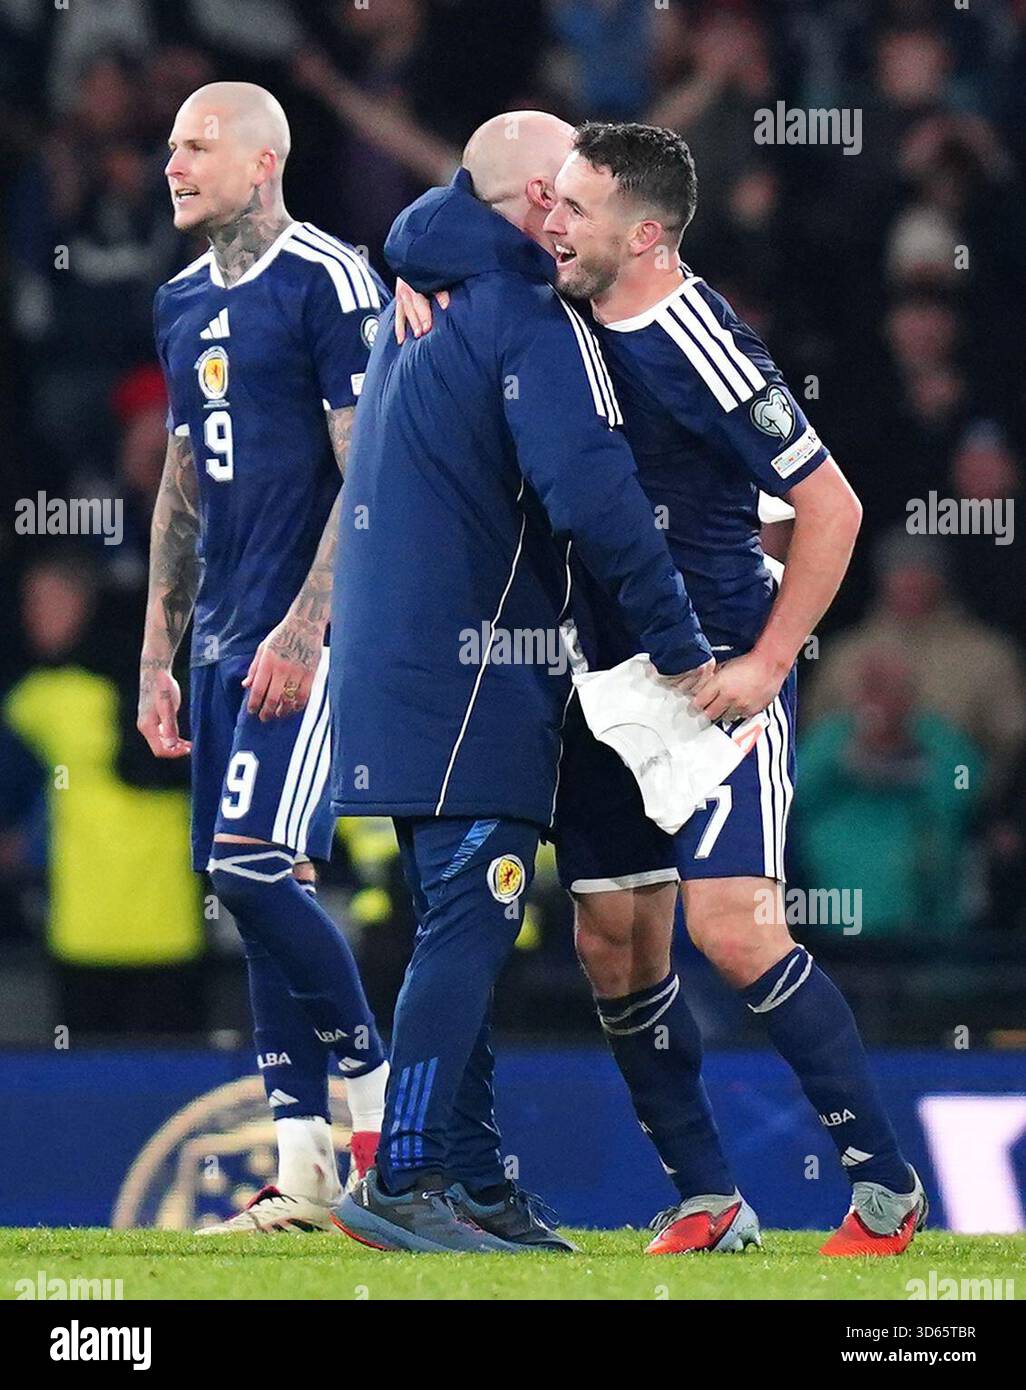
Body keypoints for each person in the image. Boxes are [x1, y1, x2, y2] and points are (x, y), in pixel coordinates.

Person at [396, 119, 926, 1257]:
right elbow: (432, 214)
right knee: (613, 947)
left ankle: (885, 1188)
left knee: (731, 930)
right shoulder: (565, 296)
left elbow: (830, 507)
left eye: (577, 210)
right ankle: (707, 1196)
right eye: (551, 201)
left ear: (643, 235)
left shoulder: (700, 339)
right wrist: (411, 272)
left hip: (714, 675)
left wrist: (770, 663)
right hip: (602, 681)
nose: (552, 223)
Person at [330, 111, 713, 1254]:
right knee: (473, 918)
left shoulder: (429, 293)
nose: (577, 210)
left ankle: (467, 1179)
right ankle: (399, 1178)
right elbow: (595, 501)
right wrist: (681, 646)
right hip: (470, 674)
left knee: (462, 921)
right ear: (540, 200)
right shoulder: (516, 319)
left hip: (404, 671)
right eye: (572, 190)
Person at [138, 81, 389, 1234]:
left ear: (263, 162)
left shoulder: (331, 279)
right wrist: (159, 654)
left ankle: (387, 1122)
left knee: (248, 868)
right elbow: (182, 488)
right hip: (228, 635)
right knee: (257, 889)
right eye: (171, 146)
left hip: (314, 634)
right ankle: (303, 1172)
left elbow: (369, 471)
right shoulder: (181, 301)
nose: (173, 163)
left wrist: (305, 625)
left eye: (196, 145)